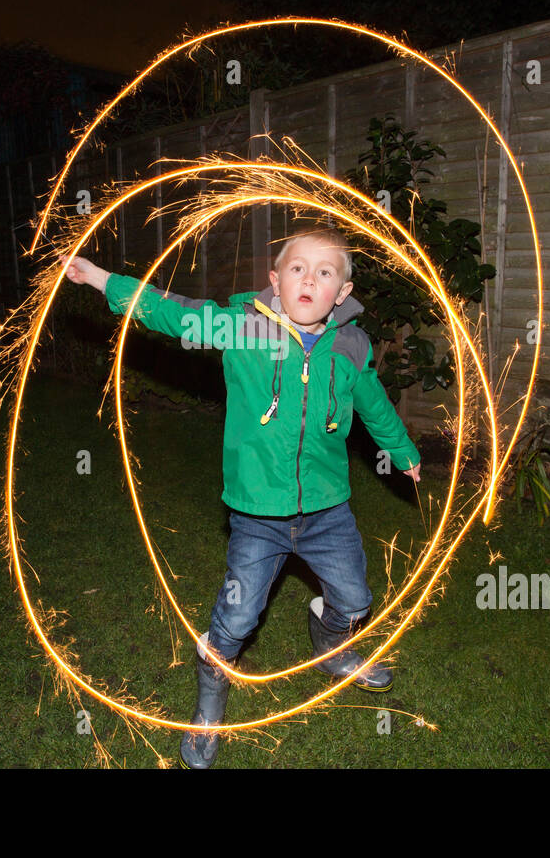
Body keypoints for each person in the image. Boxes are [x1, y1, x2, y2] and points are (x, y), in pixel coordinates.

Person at [60, 222, 421, 768]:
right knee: (236, 620)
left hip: (328, 509)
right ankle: (209, 706)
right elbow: (172, 311)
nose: (309, 280)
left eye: (325, 273)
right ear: (275, 280)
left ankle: (330, 648)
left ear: (341, 293)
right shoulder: (244, 329)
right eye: (297, 268)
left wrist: (404, 451)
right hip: (258, 514)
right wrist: (100, 279)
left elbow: (372, 402)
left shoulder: (352, 343)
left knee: (355, 601)